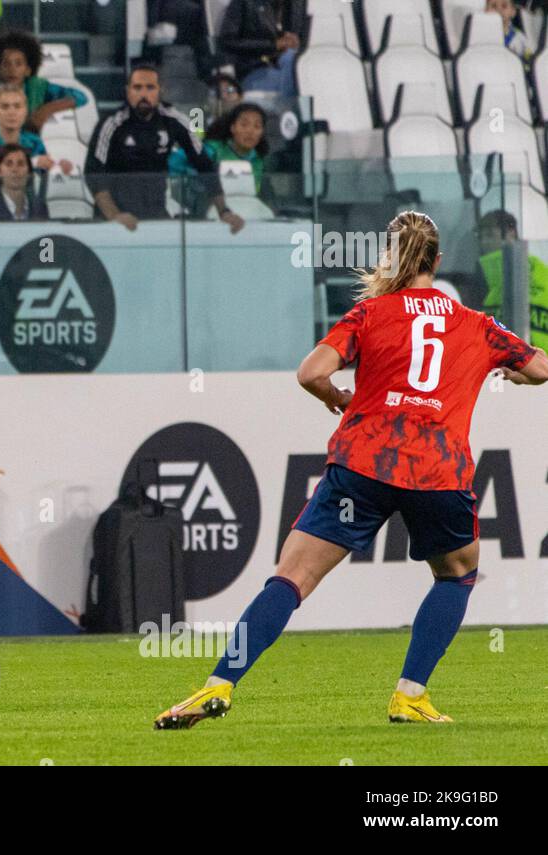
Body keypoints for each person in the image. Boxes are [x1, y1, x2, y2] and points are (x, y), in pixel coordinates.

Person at [154, 212, 548, 729]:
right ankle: (409, 695)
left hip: (363, 463)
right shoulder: (477, 325)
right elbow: (540, 368)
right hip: (437, 472)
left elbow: (310, 372)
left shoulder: (369, 313)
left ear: (390, 256)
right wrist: (510, 373)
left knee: (291, 578)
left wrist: (337, 397)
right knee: (457, 574)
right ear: (437, 261)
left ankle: (219, 684)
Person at [84, 62, 244, 233]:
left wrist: (224, 211)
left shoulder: (175, 119)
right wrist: (115, 216)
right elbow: (93, 172)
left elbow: (205, 165)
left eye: (150, 87)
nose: (143, 94)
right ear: (128, 91)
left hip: (155, 216)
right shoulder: (111, 123)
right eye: (137, 88)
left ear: (161, 91)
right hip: (113, 220)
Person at [0, 30, 87, 132]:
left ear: (28, 70)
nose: (12, 69)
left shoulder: (38, 88)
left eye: (18, 64)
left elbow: (80, 97)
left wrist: (45, 110)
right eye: (6, 64)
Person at [168, 101, 268, 209]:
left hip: (246, 210)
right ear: (233, 128)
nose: (250, 131)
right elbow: (174, 163)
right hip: (208, 209)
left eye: (257, 126)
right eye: (244, 125)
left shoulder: (260, 160)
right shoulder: (211, 150)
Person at [478, 210, 548, 349]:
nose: (484, 242)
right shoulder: (542, 271)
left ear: (511, 233)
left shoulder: (486, 274)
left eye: (490, 235)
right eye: (481, 237)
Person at [0, 84, 70, 173]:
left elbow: (43, 177)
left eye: (17, 106)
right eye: (5, 107)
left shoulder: (34, 141)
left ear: (25, 111)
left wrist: (58, 168)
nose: (11, 112)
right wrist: (32, 163)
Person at [218, 0, 306, 97]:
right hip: (252, 71)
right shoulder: (242, 3)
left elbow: (266, 35)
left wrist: (285, 39)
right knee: (295, 73)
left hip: (272, 66)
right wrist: (274, 45)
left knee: (294, 61)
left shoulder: (270, 6)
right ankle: (290, 104)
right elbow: (228, 41)